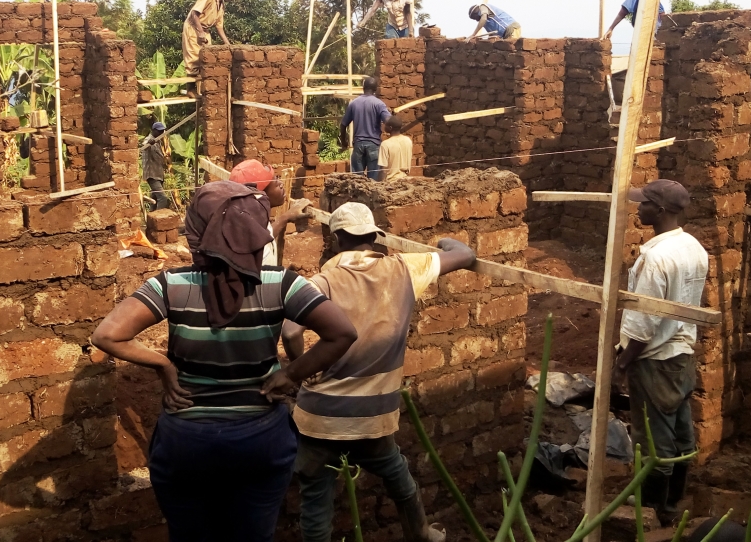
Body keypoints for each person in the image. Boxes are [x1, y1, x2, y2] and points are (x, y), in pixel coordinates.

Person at [90, 180, 358, 542]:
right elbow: (342, 333)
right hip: (260, 439)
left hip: (186, 442)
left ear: (196, 233)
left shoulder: (170, 284)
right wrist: (290, 375)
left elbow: (106, 335)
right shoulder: (282, 284)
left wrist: (163, 365)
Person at [281, 202, 476, 542]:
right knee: (398, 479)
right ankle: (421, 534)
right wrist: (443, 240)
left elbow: (290, 332)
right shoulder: (403, 269)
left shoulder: (322, 281)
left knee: (316, 499)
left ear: (336, 238)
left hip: (319, 417)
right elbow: (465, 254)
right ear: (374, 237)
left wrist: (304, 373)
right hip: (372, 416)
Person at [613, 179, 708, 524]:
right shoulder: (694, 247)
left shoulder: (655, 258)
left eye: (645, 203)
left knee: (653, 439)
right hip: (682, 356)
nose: (639, 208)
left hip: (654, 360)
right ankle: (675, 500)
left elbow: (643, 324)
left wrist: (622, 363)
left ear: (662, 210)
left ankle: (654, 510)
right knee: (681, 431)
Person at [230, 158, 314, 266]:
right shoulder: (249, 233)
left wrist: (285, 217)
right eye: (275, 183)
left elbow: (264, 237)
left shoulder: (247, 217)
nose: (281, 184)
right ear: (260, 195)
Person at [182, 0, 238, 81]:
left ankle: (204, 89)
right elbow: (194, 14)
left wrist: (228, 44)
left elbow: (219, 27)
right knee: (194, 58)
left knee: (207, 57)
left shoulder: (221, 6)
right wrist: (200, 32)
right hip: (193, 27)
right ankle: (191, 89)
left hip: (204, 30)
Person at [339, 77, 391, 181]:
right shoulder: (379, 104)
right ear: (375, 89)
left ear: (363, 88)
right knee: (373, 182)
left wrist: (344, 142)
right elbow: (388, 121)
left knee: (357, 182)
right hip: (374, 145)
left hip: (358, 145)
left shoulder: (354, 103)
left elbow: (343, 124)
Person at [142, 121, 170, 210]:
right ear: (153, 130)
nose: (161, 133)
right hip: (152, 175)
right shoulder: (150, 139)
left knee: (154, 200)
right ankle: (159, 219)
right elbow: (145, 145)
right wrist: (150, 143)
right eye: (159, 131)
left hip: (159, 175)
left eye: (162, 131)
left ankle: (152, 219)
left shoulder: (158, 142)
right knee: (163, 198)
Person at [377, 114, 413, 182]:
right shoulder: (408, 141)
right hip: (405, 181)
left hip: (391, 182)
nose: (384, 126)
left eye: (385, 125)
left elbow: (383, 170)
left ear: (390, 128)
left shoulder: (385, 144)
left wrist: (379, 185)